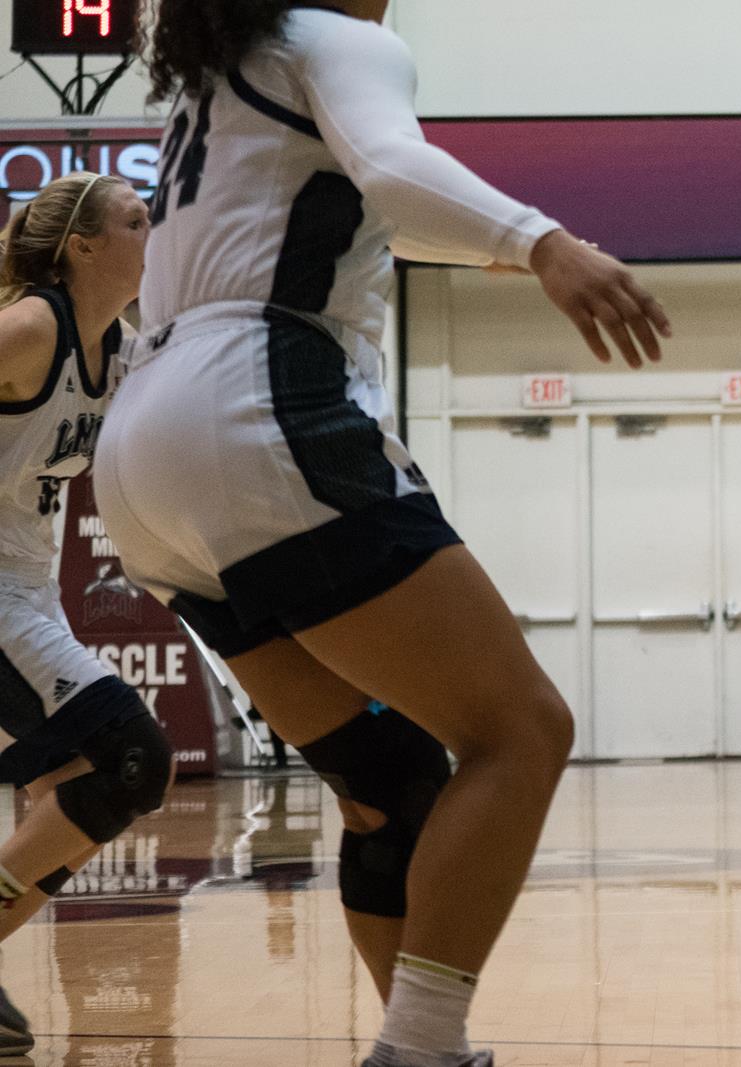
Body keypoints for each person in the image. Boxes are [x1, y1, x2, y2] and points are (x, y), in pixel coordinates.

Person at [97, 4, 670, 1066]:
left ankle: (422, 1047)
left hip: (146, 448)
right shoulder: (338, 37)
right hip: (252, 403)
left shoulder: (223, 70)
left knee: (391, 782)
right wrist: (538, 242)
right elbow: (394, 163)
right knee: (522, 729)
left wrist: (495, 249)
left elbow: (373, 203)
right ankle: (419, 1048)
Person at [0, 172, 174, 1054]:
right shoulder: (31, 327)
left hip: (31, 594)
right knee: (136, 759)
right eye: (139, 218)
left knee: (68, 796)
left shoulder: (125, 348)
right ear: (84, 245)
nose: (158, 227)